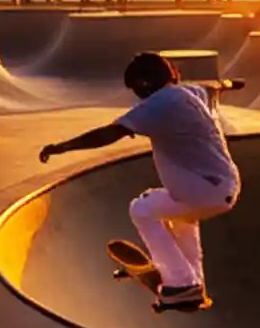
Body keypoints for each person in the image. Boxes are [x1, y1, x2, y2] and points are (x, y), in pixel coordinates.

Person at [39, 53, 240, 307]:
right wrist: (232, 83)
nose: (137, 98)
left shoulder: (160, 103)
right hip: (223, 185)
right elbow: (215, 85)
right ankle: (192, 281)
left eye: (136, 90)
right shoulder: (191, 92)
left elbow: (109, 134)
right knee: (180, 215)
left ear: (144, 84)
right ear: (174, 75)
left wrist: (62, 147)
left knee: (142, 208)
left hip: (201, 189)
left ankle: (180, 282)